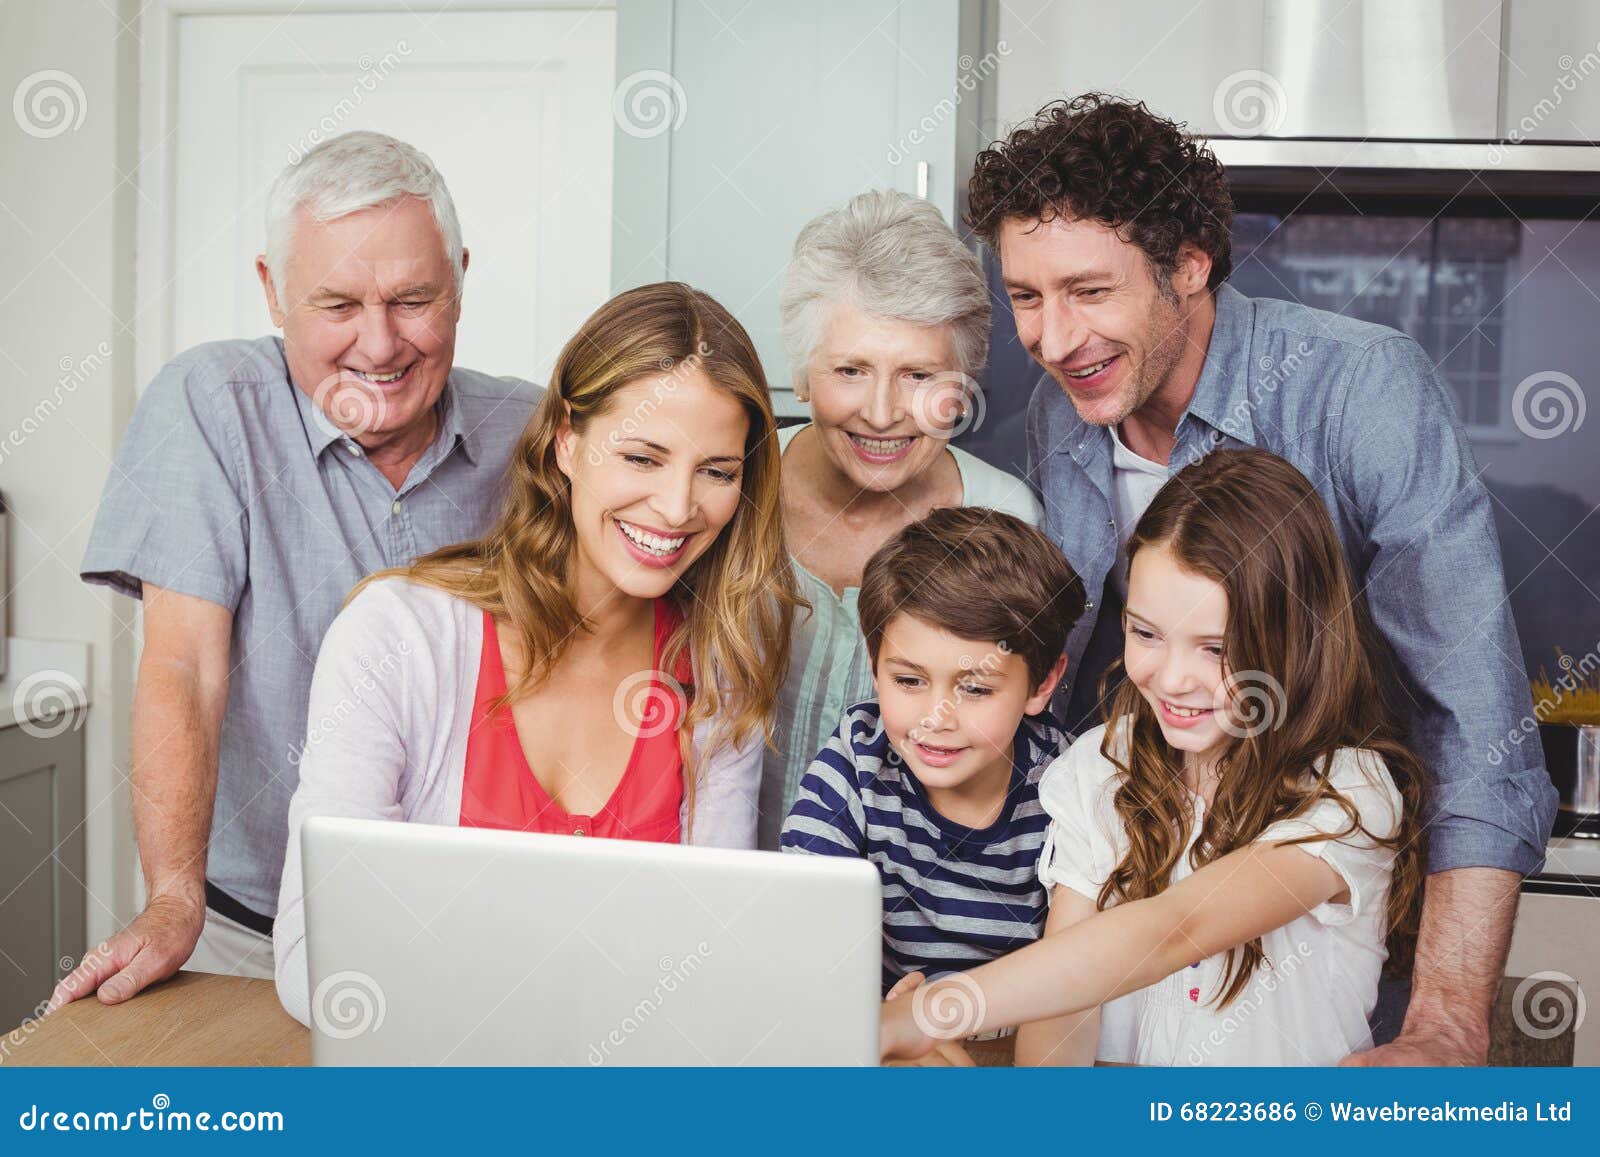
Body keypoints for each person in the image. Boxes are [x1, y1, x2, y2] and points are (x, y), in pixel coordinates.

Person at [968, 92, 1557, 1064]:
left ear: (1189, 265)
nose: (1054, 339)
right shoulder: (1061, 411)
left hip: (1330, 945)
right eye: (1025, 297)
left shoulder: (1358, 387)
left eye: (1089, 290)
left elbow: (1477, 719)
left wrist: (1447, 1022)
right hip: (1141, 939)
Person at [55, 132, 538, 1008]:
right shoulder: (211, 402)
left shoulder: (537, 433)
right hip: (247, 930)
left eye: (413, 300)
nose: (379, 344)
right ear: (274, 290)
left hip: (481, 932)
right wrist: (173, 898)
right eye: (338, 303)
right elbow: (184, 665)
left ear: (460, 280)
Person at [272, 282, 801, 1027]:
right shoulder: (395, 637)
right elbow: (314, 958)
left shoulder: (720, 667)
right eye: (643, 456)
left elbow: (710, 958)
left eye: (716, 471)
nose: (678, 507)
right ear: (565, 442)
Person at [880, 450, 1431, 1066]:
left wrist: (931, 1011)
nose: (1171, 679)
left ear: (1295, 639)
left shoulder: (1348, 793)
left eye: (1216, 648)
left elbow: (1177, 929)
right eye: (1145, 633)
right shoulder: (1097, 769)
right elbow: (1062, 1031)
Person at [762, 190, 1041, 849]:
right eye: (851, 369)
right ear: (802, 375)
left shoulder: (1005, 518)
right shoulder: (731, 486)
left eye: (919, 375)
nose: (884, 413)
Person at [782, 507, 1083, 1034]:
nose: (935, 718)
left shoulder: (1069, 787)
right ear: (875, 666)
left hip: (1014, 1047)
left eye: (975, 689)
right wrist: (872, 1020)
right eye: (909, 681)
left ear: (1041, 685)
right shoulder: (859, 756)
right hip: (873, 1038)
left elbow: (1073, 976)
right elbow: (801, 927)